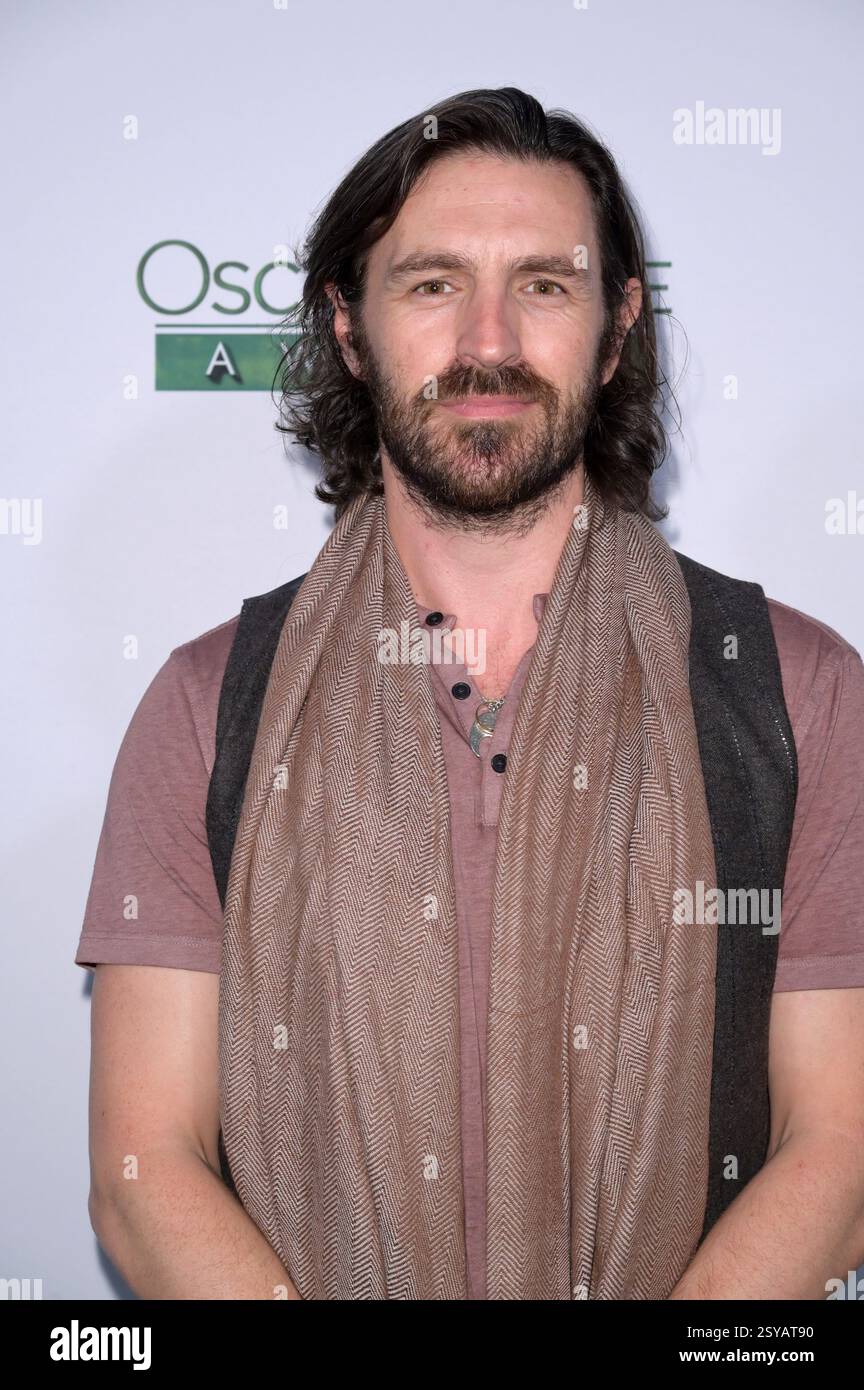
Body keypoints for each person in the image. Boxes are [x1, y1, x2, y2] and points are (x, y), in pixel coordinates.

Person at [77, 87, 864, 1300]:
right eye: (433, 282)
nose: (488, 339)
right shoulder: (208, 706)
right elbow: (143, 1173)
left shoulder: (795, 690)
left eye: (545, 284)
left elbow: (843, 1152)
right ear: (349, 327)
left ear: (616, 330)